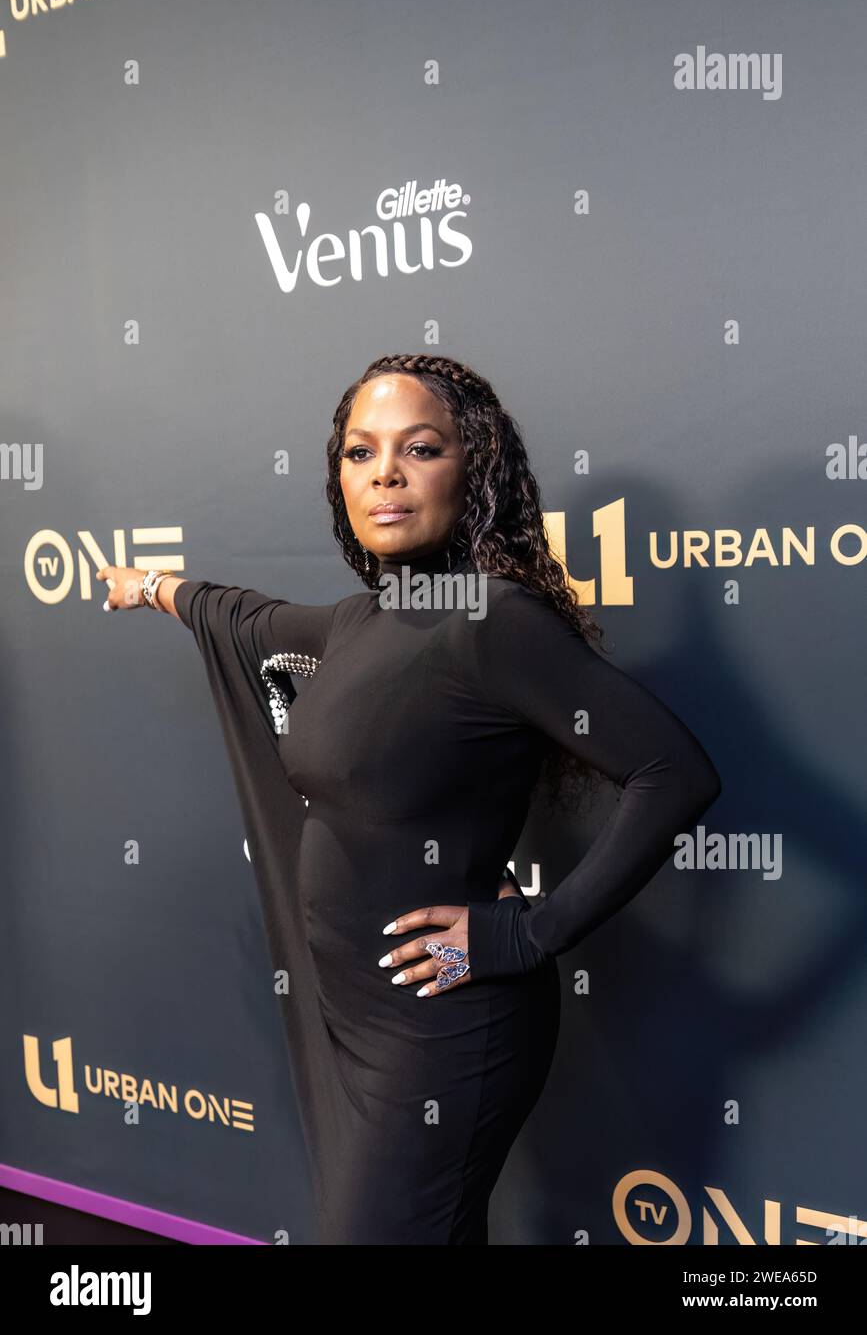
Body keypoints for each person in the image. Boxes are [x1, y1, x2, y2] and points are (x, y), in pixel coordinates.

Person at [97, 352, 721, 1245]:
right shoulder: (356, 624)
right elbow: (244, 615)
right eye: (359, 453)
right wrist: (153, 587)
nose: (383, 471)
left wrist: (528, 930)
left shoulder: (493, 621)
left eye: (419, 448)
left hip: (442, 1029)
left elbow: (674, 773)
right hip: (350, 1011)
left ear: (475, 469)